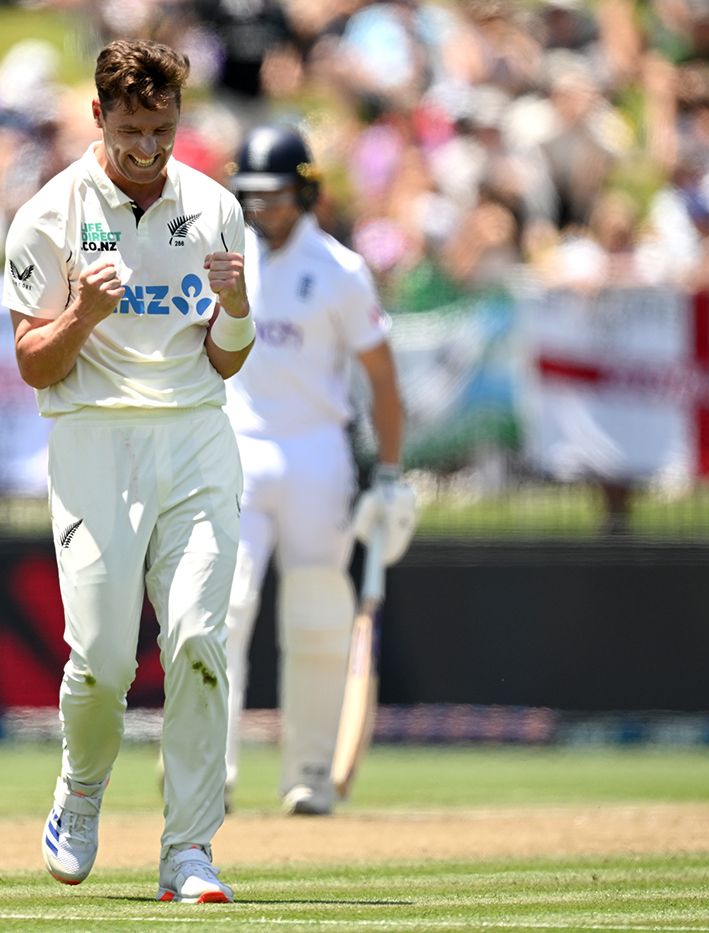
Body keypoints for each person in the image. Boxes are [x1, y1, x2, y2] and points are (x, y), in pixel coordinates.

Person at [2, 38, 252, 904]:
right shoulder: (48, 213)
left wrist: (241, 306)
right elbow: (35, 363)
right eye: (134, 129)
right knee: (105, 662)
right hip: (93, 441)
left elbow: (225, 362)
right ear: (100, 116)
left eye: (165, 128)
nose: (149, 148)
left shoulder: (216, 208)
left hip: (193, 438)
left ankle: (189, 849)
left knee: (198, 641)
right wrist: (82, 312)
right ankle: (81, 789)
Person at [222, 123, 417, 817]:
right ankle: (207, 768)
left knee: (314, 616)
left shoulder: (339, 271)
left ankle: (308, 771)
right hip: (239, 447)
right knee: (225, 605)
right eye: (249, 195)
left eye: (274, 195)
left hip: (317, 455)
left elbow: (383, 381)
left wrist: (389, 473)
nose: (260, 209)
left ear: (305, 193)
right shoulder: (222, 253)